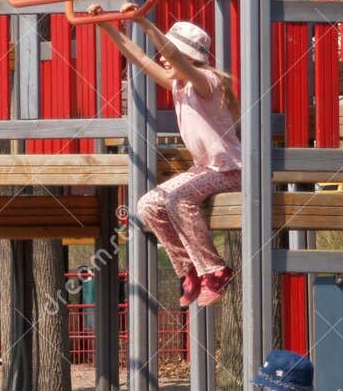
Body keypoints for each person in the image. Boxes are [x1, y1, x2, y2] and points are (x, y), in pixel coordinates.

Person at [102, 16, 241, 307]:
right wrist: (108, 27)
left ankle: (216, 270)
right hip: (206, 169)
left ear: (189, 58)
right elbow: (139, 57)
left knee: (178, 199)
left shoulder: (206, 83)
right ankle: (190, 269)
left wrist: (146, 24)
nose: (164, 61)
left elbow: (173, 55)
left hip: (231, 169)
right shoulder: (178, 84)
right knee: (147, 205)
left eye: (171, 55)